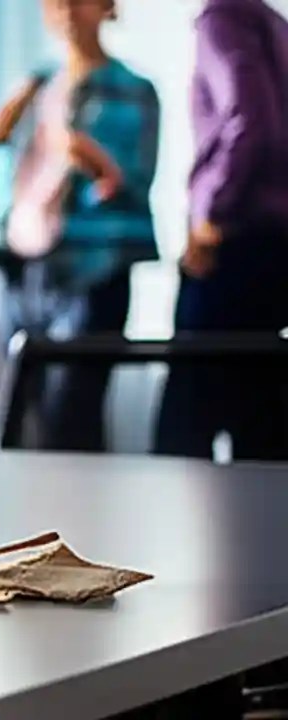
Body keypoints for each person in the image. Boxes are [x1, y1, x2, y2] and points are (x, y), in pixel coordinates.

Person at [0, 0, 160, 451]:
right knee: (26, 413)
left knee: (73, 414)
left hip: (95, 267)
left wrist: (92, 161)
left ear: (106, 7)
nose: (66, 10)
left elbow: (131, 183)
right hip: (27, 265)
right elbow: (4, 174)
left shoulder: (134, 90)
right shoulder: (36, 85)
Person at [155, 0, 288, 460]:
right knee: (260, 413)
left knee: (184, 421)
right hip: (273, 241)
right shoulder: (270, 22)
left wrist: (212, 212)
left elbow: (250, 121)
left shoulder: (223, 18)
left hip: (234, 239)